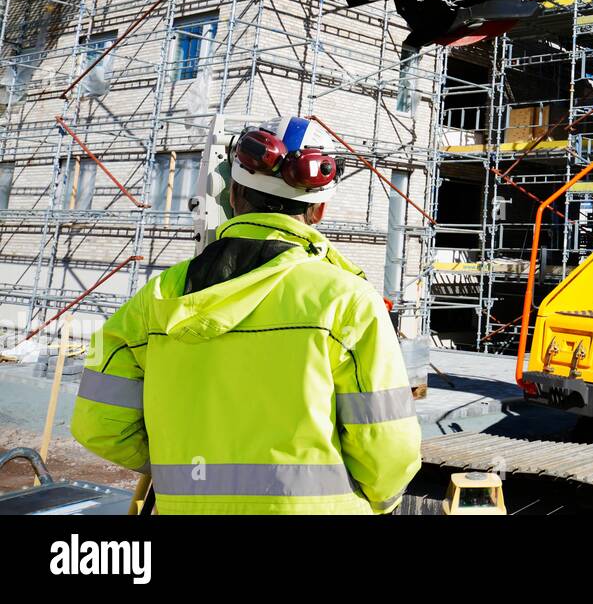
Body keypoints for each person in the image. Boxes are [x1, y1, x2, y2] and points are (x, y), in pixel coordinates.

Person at [71, 115, 421, 514]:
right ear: (319, 210)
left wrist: (184, 470)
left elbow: (97, 424)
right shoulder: (347, 300)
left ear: (234, 195)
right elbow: (390, 448)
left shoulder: (155, 298)